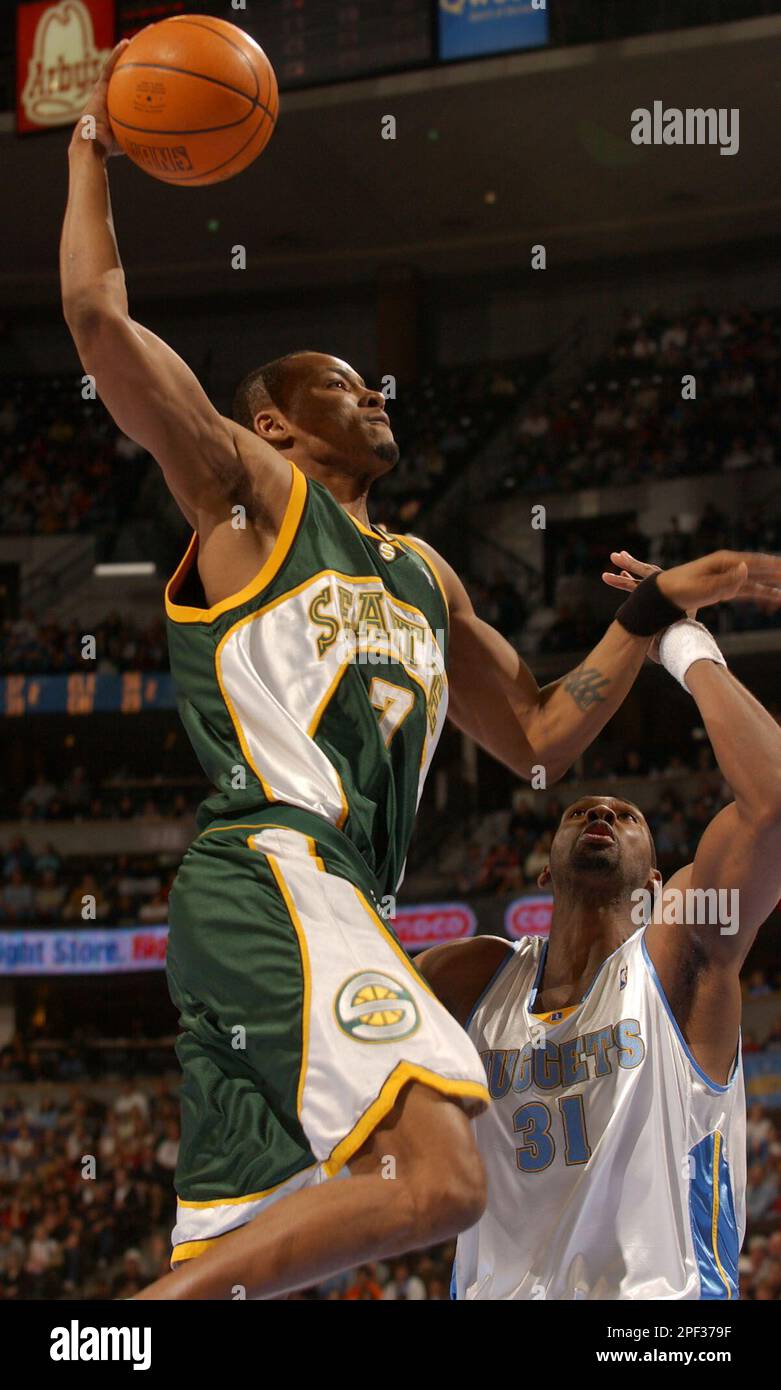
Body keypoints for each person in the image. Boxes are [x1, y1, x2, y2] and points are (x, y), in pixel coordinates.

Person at [61, 48, 781, 1302]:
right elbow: (100, 323)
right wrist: (90, 156)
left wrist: (657, 613)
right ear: (276, 423)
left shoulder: (427, 576)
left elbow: (546, 738)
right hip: (275, 867)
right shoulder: (250, 497)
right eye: (342, 386)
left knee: (242, 1268)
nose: (374, 393)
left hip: (330, 903)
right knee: (442, 1180)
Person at [416, 578, 781, 1298]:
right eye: (580, 810)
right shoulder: (471, 976)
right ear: (544, 870)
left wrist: (678, 638)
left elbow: (771, 805)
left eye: (625, 816)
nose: (602, 814)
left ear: (655, 882)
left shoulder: (677, 952)